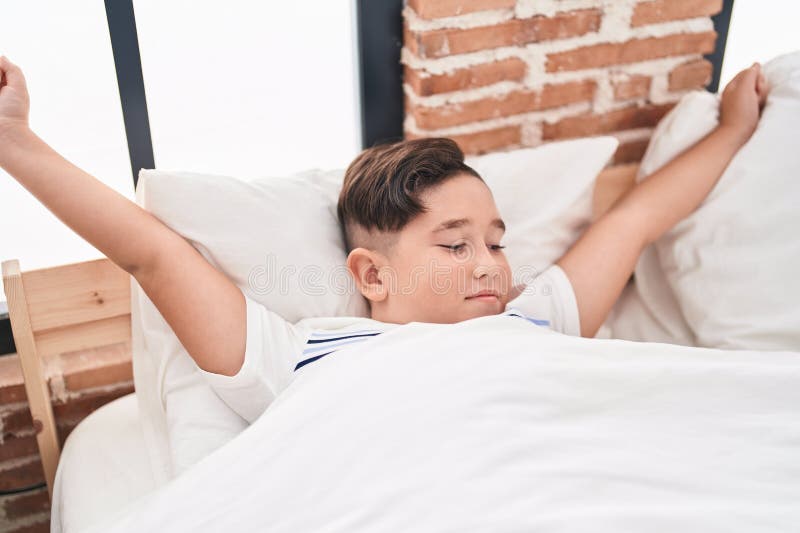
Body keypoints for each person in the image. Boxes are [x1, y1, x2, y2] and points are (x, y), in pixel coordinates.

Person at [0, 56, 768, 422]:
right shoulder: (310, 356)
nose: (491, 266)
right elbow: (155, 253)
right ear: (371, 272)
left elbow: (633, 220)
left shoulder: (535, 320)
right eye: (455, 244)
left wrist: (734, 129)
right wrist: (16, 142)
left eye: (496, 243)